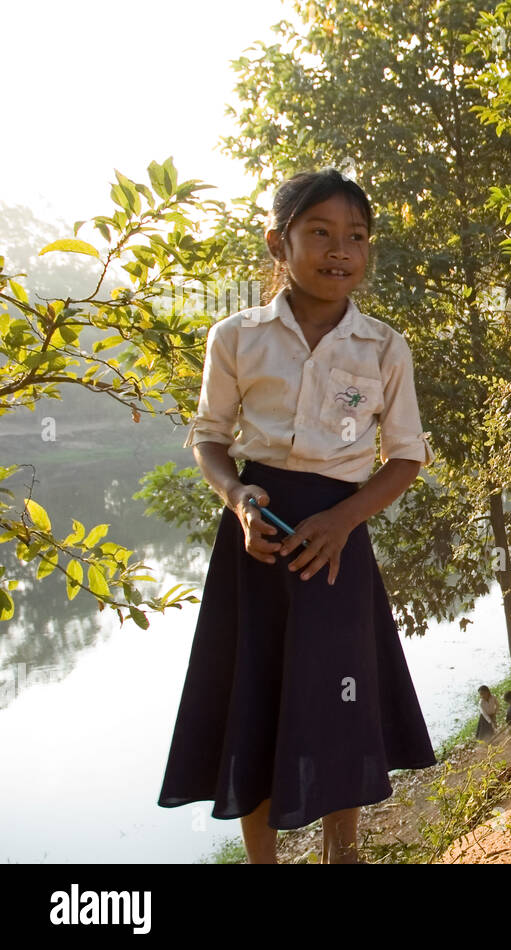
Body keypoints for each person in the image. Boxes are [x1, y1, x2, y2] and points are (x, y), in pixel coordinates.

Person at [157, 168, 439, 864]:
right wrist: (238, 499)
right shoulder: (237, 337)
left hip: (337, 539)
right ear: (279, 242)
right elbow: (210, 438)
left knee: (338, 701)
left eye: (356, 237)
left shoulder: (383, 347)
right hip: (257, 540)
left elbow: (404, 458)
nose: (340, 250)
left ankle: (342, 854)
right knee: (257, 699)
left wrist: (345, 521)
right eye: (320, 232)